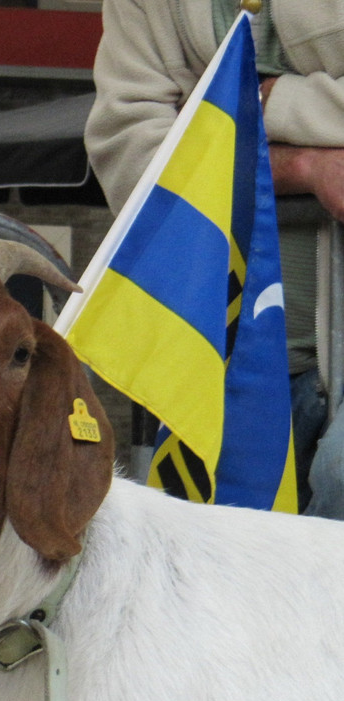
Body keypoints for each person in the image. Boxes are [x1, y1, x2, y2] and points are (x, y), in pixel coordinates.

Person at [84, 0, 344, 516]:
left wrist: (247, 108)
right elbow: (134, 157)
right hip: (222, 358)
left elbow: (177, 146)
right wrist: (307, 165)